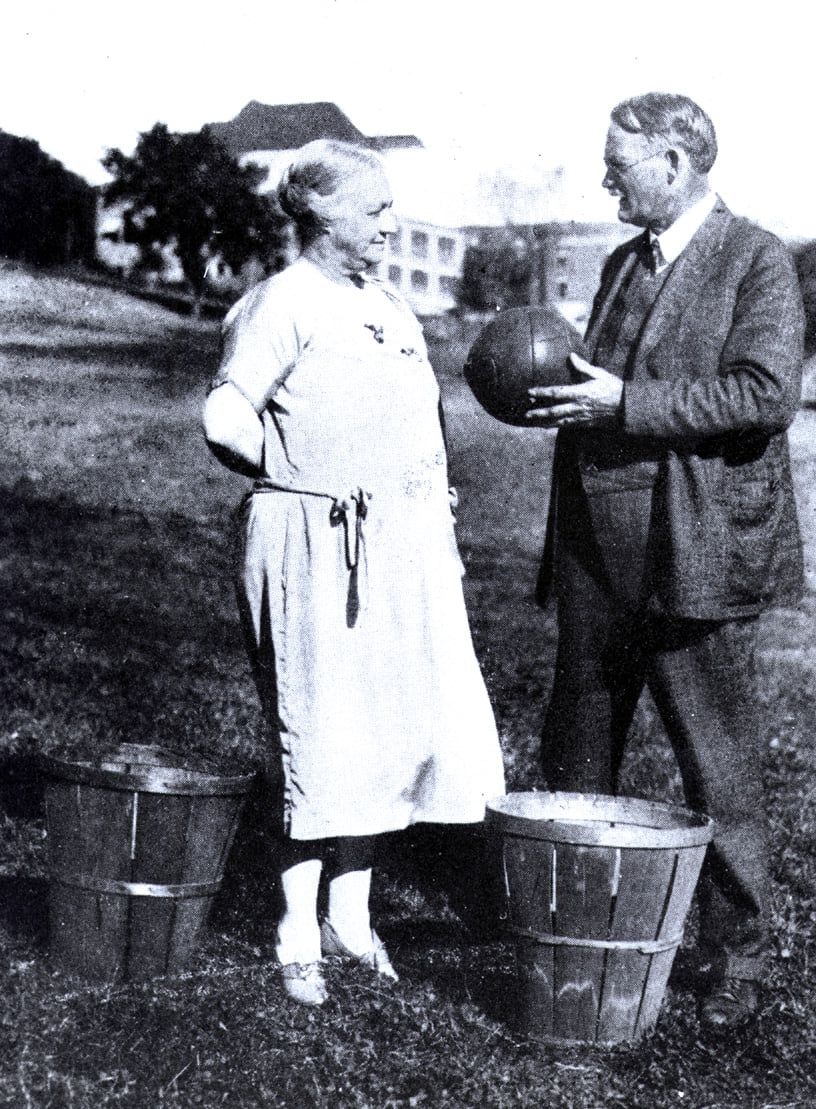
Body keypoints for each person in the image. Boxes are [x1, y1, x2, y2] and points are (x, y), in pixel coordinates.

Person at [202, 140, 504, 1006]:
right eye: (374, 209)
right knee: (323, 728)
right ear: (323, 213)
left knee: (392, 728)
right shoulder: (280, 302)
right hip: (310, 539)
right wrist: (298, 474)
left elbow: (418, 427)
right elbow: (225, 414)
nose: (388, 223)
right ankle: (296, 925)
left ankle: (352, 915)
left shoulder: (390, 308)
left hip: (400, 548)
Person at [526, 93, 804, 1030]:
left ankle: (737, 958)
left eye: (620, 160)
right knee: (575, 754)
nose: (605, 174)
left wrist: (625, 406)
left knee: (717, 768)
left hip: (696, 555)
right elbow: (598, 391)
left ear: (677, 163)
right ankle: (563, 928)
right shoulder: (618, 263)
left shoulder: (756, 259)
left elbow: (764, 395)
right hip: (597, 555)